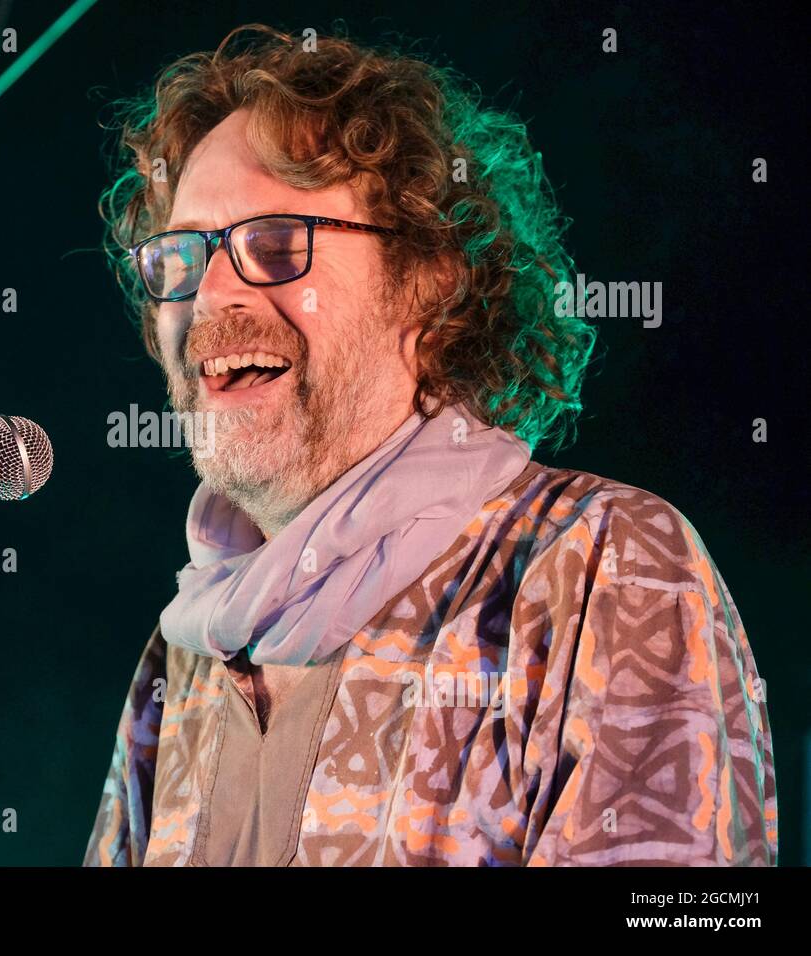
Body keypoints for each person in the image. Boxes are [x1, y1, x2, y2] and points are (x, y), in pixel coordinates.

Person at [83, 24, 776, 866]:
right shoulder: (182, 656)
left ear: (430, 281)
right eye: (179, 257)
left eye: (273, 245)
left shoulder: (599, 567)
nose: (212, 294)